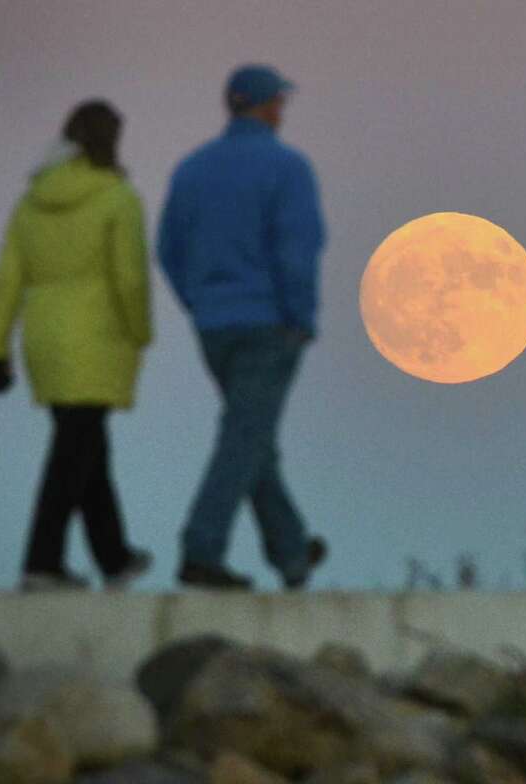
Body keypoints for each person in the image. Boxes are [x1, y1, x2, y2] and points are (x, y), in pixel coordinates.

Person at [158, 64, 328, 590]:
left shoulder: (191, 169)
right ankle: (201, 550)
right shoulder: (288, 168)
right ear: (269, 105)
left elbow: (169, 249)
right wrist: (300, 318)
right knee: (244, 437)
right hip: (268, 324)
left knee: (250, 434)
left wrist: (200, 302)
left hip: (214, 326)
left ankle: (291, 551)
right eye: (280, 101)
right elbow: (297, 249)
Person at [0, 100, 153, 592]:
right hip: (98, 339)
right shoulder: (120, 198)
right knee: (73, 451)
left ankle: (114, 557)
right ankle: (42, 561)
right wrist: (140, 333)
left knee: (86, 447)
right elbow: (131, 280)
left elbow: (7, 281)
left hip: (44, 341)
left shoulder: (30, 201)